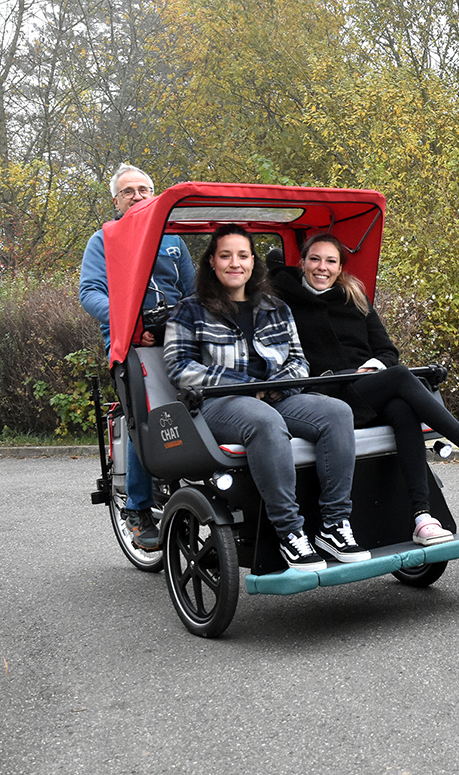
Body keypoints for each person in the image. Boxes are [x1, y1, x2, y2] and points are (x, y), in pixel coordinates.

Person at [271, 233, 459, 546]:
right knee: (399, 378)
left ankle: (422, 517)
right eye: (314, 259)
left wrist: (372, 368)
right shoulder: (284, 301)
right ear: (302, 262)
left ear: (340, 267)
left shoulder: (354, 297)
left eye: (331, 261)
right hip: (326, 396)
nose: (322, 267)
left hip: (367, 387)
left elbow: (386, 351)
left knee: (402, 408)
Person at [163, 224, 367, 570]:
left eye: (242, 255)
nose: (234, 263)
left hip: (275, 395)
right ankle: (289, 532)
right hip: (219, 403)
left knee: (336, 412)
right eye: (225, 255)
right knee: (264, 420)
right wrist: (240, 383)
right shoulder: (190, 310)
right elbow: (179, 367)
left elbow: (299, 361)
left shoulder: (275, 308)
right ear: (212, 261)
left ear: (253, 262)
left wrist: (277, 386)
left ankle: (334, 525)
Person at [79, 163, 196, 550]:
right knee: (143, 421)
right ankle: (138, 508)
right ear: (116, 200)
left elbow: (194, 292)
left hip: (177, 337)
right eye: (128, 191)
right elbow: (91, 293)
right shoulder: (103, 241)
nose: (138, 196)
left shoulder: (174, 240)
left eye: (144, 190)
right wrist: (131, 324)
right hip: (131, 343)